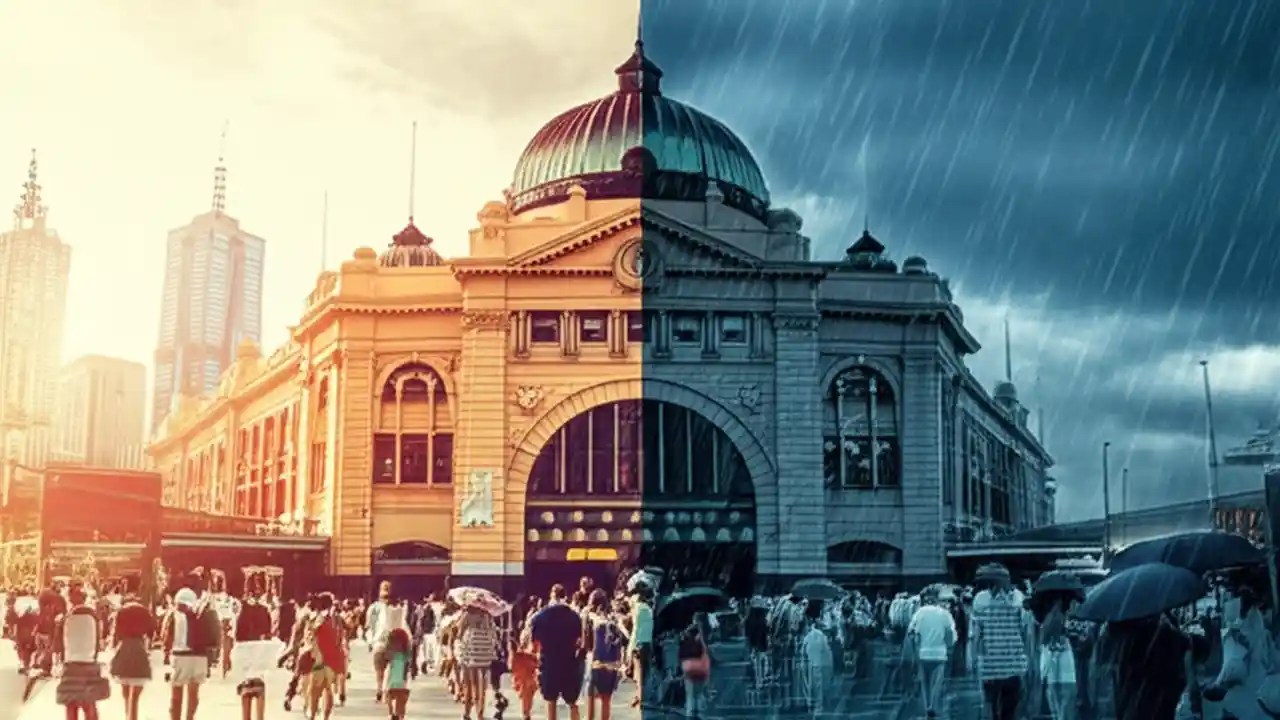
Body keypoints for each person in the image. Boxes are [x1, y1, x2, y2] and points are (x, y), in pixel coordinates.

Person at [970, 564, 1030, 720]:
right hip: (1013, 665)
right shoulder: (1018, 599)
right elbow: (1026, 632)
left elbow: (976, 635)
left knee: (994, 710)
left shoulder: (980, 600)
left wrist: (974, 658)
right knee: (1008, 712)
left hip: (992, 667)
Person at [530, 584, 586, 720]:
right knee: (572, 702)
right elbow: (580, 642)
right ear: (565, 596)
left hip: (549, 662)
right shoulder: (574, 616)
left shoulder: (541, 616)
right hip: (569, 662)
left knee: (551, 700)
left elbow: (535, 642)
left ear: (551, 595)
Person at [56, 583, 111, 719]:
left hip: (71, 664)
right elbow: (98, 641)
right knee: (89, 702)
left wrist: (61, 660)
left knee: (70, 704)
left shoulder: (66, 618)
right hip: (89, 662)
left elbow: (59, 643)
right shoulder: (93, 617)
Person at [163, 587, 213, 720]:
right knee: (193, 694)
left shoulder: (173, 615)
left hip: (180, 657)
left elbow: (166, 637)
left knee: (176, 695)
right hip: (199, 657)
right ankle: (190, 717)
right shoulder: (201, 615)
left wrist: (166, 655)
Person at [908, 586, 957, 719]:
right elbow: (950, 634)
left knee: (924, 682)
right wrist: (949, 646)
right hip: (940, 654)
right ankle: (933, 706)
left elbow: (912, 633)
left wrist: (914, 651)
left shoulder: (919, 613)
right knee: (937, 682)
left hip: (923, 653)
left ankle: (926, 707)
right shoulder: (944, 614)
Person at [231, 595, 278, 720]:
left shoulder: (242, 613)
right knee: (260, 693)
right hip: (259, 664)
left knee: (245, 697)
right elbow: (269, 635)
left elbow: (237, 637)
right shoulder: (264, 611)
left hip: (246, 665)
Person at [583, 589, 627, 720]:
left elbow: (586, 642)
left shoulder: (590, 617)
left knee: (590, 699)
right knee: (606, 701)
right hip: (611, 664)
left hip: (595, 661)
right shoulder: (612, 619)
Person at [109, 595, 154, 720]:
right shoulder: (144, 611)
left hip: (124, 647)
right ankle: (133, 716)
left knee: (125, 689)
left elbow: (116, 633)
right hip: (140, 647)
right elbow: (151, 632)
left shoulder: (121, 612)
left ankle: (128, 715)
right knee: (135, 694)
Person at [458, 603, 500, 720]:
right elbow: (494, 635)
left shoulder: (467, 615)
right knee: (482, 685)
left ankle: (467, 713)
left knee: (469, 684)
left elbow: (459, 634)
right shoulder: (488, 616)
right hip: (485, 654)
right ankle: (480, 713)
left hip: (471, 653)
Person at [1038, 599, 1076, 720]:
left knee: (1055, 702)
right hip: (1066, 675)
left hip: (1052, 675)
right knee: (1065, 702)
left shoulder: (1047, 624)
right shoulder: (1066, 624)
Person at [800, 602, 834, 719]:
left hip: (814, 663)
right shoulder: (819, 634)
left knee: (813, 685)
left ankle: (815, 709)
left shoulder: (811, 635)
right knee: (819, 685)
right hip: (821, 662)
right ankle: (817, 708)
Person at [678, 614, 713, 720]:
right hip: (701, 668)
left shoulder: (687, 633)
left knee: (690, 694)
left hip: (688, 667)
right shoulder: (706, 633)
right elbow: (706, 652)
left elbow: (682, 651)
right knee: (699, 693)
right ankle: (699, 714)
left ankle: (690, 714)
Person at [382, 627, 415, 720]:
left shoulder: (390, 655)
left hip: (392, 681)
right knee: (401, 705)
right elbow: (409, 666)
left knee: (390, 698)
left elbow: (387, 664)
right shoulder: (406, 655)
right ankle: (399, 715)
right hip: (403, 683)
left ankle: (392, 713)